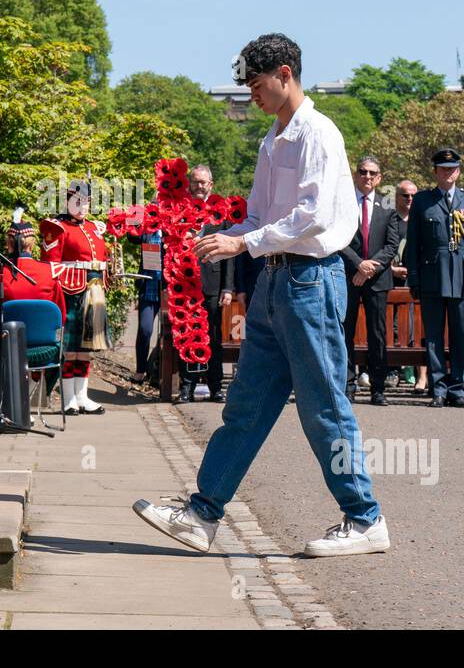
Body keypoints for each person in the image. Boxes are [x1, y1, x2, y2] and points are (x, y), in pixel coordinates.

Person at [133, 33, 387, 558]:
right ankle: (202, 514)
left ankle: (365, 519)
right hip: (275, 281)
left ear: (285, 74)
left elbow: (311, 216)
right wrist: (220, 238)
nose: (251, 95)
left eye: (255, 84)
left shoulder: (318, 133)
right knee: (245, 407)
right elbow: (258, 217)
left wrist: (243, 242)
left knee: (323, 407)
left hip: (311, 280)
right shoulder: (273, 138)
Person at [0, 211, 68, 425]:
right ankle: (23, 405)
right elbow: (60, 316)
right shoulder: (51, 272)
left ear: (8, 244)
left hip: (4, 347)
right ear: (32, 244)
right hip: (44, 350)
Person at [405, 148, 464, 408]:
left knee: (460, 335)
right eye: (443, 169)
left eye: (452, 169)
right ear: (435, 172)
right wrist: (414, 278)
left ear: (459, 172)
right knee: (433, 337)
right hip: (432, 275)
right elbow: (413, 243)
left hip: (462, 275)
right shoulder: (422, 200)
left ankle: (458, 389)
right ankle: (438, 388)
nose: (448, 173)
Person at [41, 180, 110, 415]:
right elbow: (50, 266)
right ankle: (68, 397)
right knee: (70, 347)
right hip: (69, 291)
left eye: (86, 203)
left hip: (95, 289)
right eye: (77, 203)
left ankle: (82, 396)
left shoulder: (94, 228)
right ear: (67, 202)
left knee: (86, 346)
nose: (83, 208)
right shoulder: (57, 228)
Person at [340, 156, 402, 406]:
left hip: (376, 279)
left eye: (372, 173)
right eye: (363, 171)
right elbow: (338, 239)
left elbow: (392, 245)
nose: (367, 176)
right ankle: (348, 385)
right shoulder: (343, 204)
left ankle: (378, 388)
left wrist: (368, 269)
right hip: (349, 277)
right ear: (356, 175)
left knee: (377, 334)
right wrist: (358, 264)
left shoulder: (388, 208)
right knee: (345, 333)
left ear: (379, 178)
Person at [179, 165, 234, 402]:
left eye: (203, 182)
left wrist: (228, 287)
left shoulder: (220, 212)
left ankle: (215, 387)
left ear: (211, 184)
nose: (199, 186)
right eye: (195, 182)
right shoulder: (180, 211)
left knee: (213, 336)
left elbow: (229, 253)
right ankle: (186, 388)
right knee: (186, 336)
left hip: (213, 283)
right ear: (189, 184)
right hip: (185, 284)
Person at [388, 179, 424, 391]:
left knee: (416, 327)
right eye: (405, 195)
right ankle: (392, 371)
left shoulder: (422, 219)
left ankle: (419, 375)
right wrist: (391, 269)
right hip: (390, 279)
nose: (410, 199)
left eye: (413, 195)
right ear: (397, 197)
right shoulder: (389, 219)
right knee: (392, 327)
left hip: (416, 281)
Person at [126, 220, 163, 384]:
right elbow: (132, 237)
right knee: (145, 329)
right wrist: (134, 217)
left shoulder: (176, 227)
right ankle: (140, 371)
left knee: (169, 333)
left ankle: (158, 370)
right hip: (149, 286)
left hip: (170, 288)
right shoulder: (148, 229)